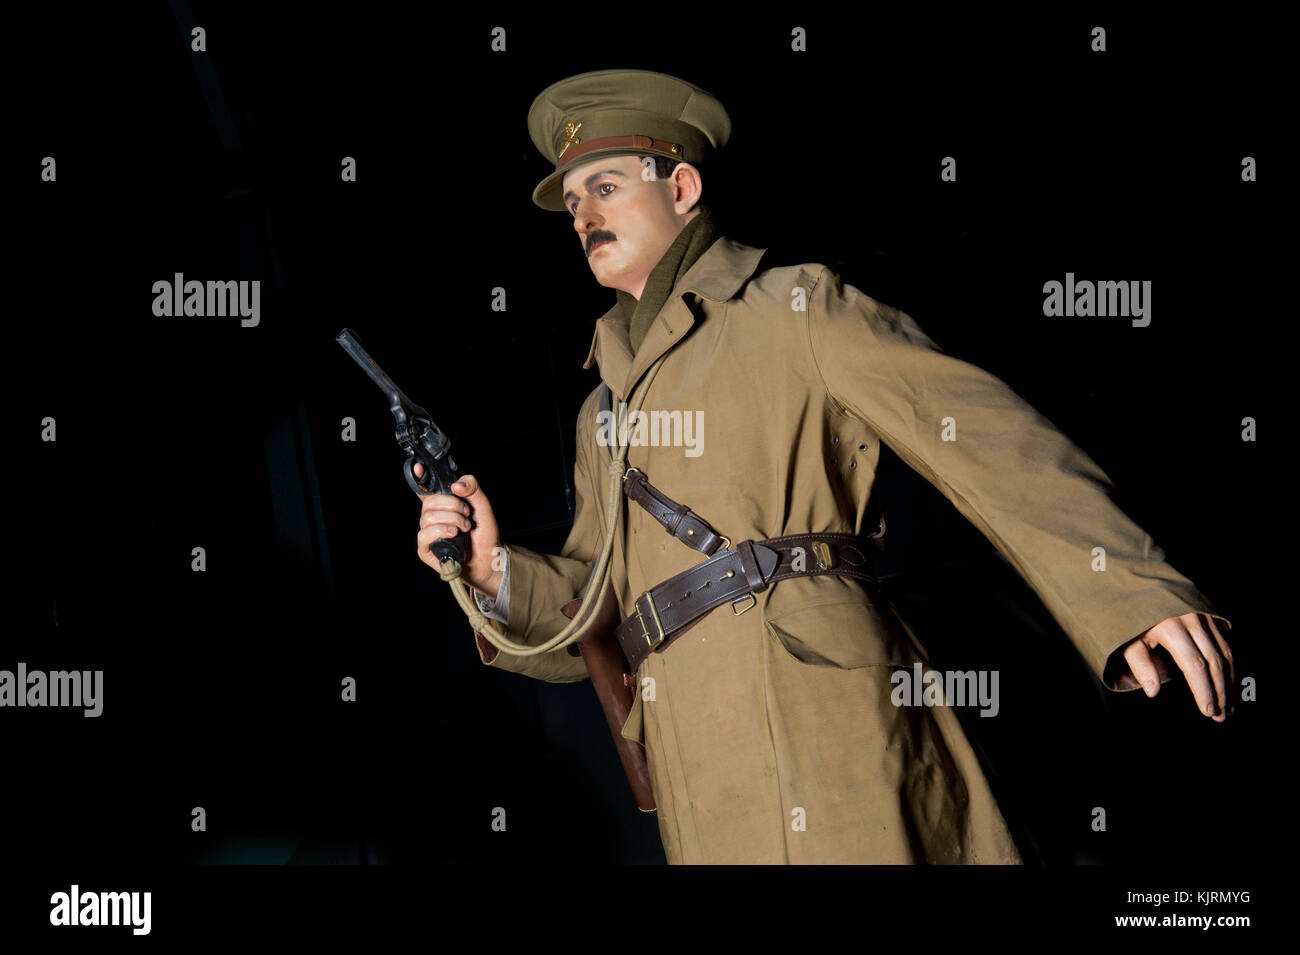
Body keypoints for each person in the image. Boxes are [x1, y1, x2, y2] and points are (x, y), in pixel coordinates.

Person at [413, 69, 1234, 864]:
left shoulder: (793, 308)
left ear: (683, 188)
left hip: (827, 712)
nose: (583, 215)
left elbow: (985, 436)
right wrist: (490, 570)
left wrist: (1129, 590)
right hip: (697, 756)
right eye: (572, 202)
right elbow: (588, 606)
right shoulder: (605, 411)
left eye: (605, 187)